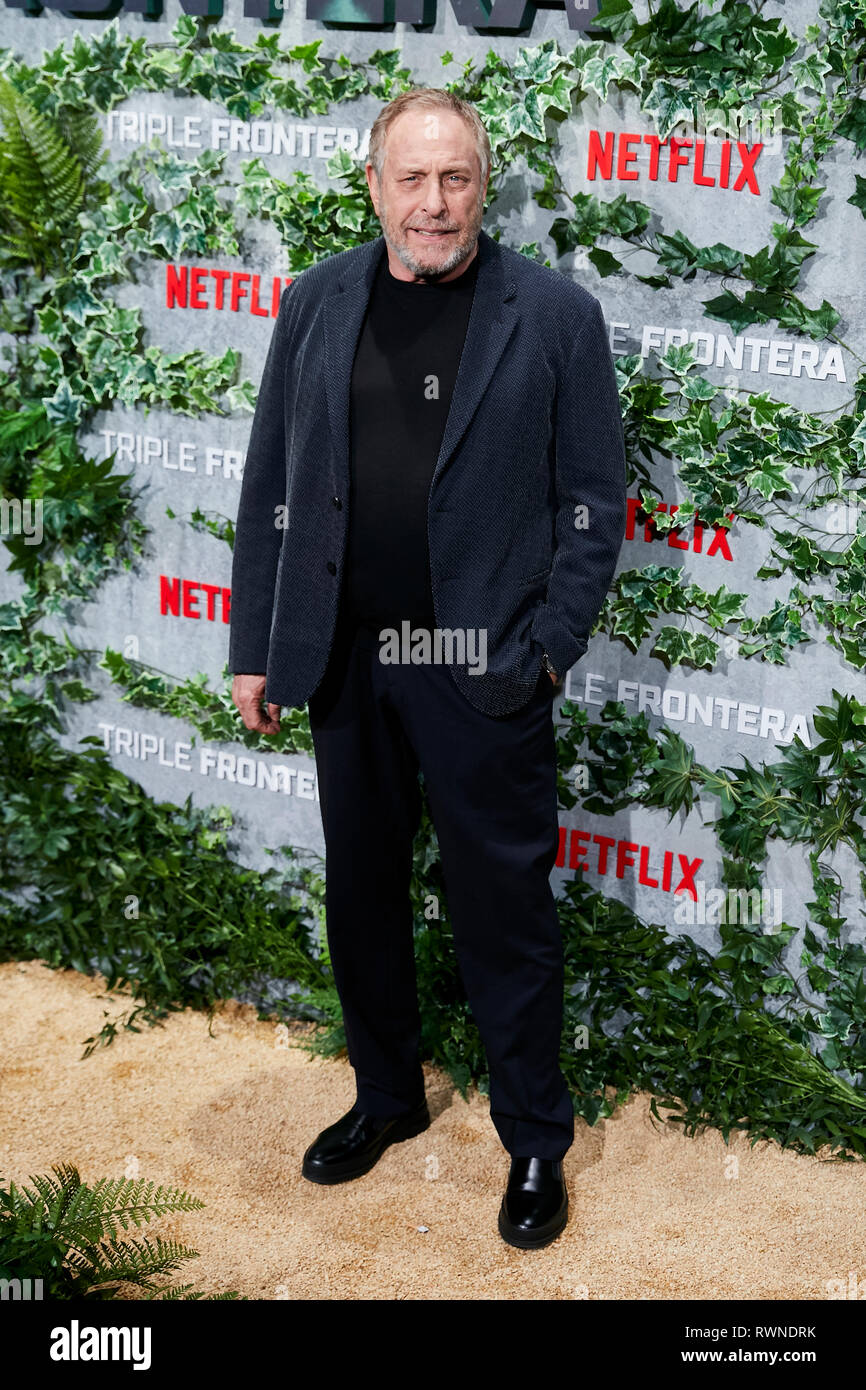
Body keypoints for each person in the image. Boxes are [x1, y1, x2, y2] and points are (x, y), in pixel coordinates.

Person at [228, 87, 627, 1249]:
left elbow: (593, 501)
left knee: (502, 914)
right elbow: (269, 487)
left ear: (481, 185)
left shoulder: (551, 314)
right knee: (361, 898)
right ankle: (388, 1096)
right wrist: (257, 642)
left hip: (479, 668)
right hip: (346, 660)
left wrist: (547, 649)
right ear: (373, 184)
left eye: (454, 178)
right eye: (411, 177)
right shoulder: (314, 300)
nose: (433, 202)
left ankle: (534, 1141)